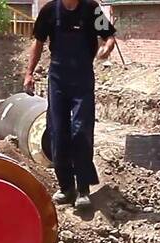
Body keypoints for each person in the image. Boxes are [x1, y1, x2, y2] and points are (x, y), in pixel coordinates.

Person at [24, 0, 116, 209]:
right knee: (58, 133)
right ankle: (66, 188)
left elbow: (108, 37)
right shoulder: (49, 11)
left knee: (81, 131)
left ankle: (83, 189)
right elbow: (38, 42)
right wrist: (29, 73)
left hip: (82, 79)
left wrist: (107, 49)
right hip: (57, 79)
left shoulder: (91, 9)